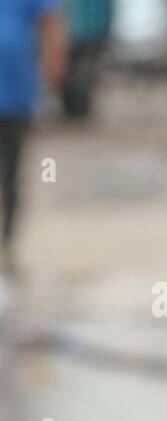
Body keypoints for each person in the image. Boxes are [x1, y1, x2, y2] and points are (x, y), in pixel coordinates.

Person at [0, 0, 65, 274]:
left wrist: (50, 78)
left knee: (11, 174)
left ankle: (7, 243)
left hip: (16, 98)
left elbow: (50, 26)